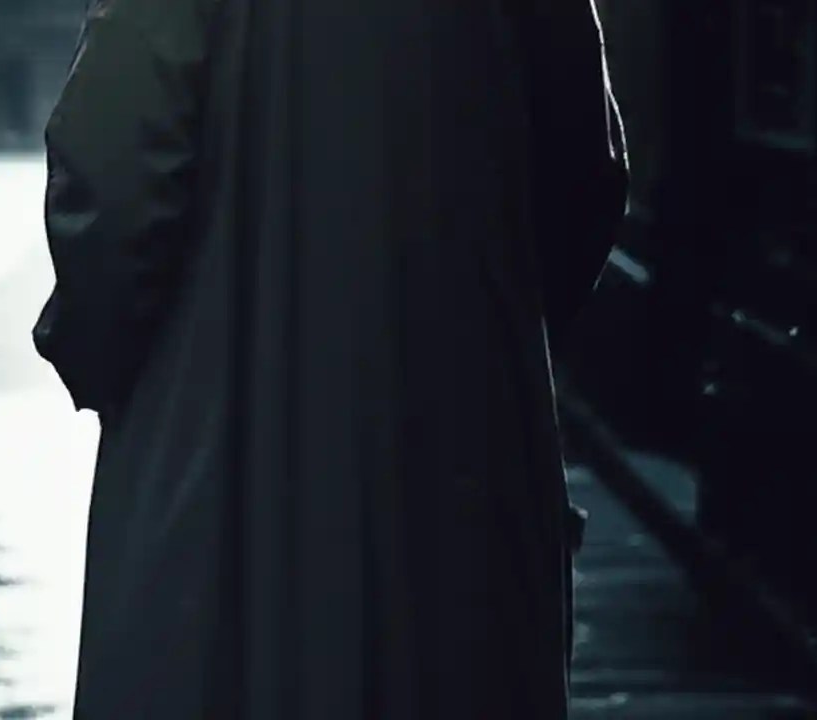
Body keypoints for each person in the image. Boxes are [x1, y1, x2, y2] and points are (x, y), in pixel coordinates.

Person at [33, 0, 627, 716]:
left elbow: (114, 169)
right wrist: (484, 342)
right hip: (460, 461)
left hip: (222, 463)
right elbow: (582, 176)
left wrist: (107, 356)